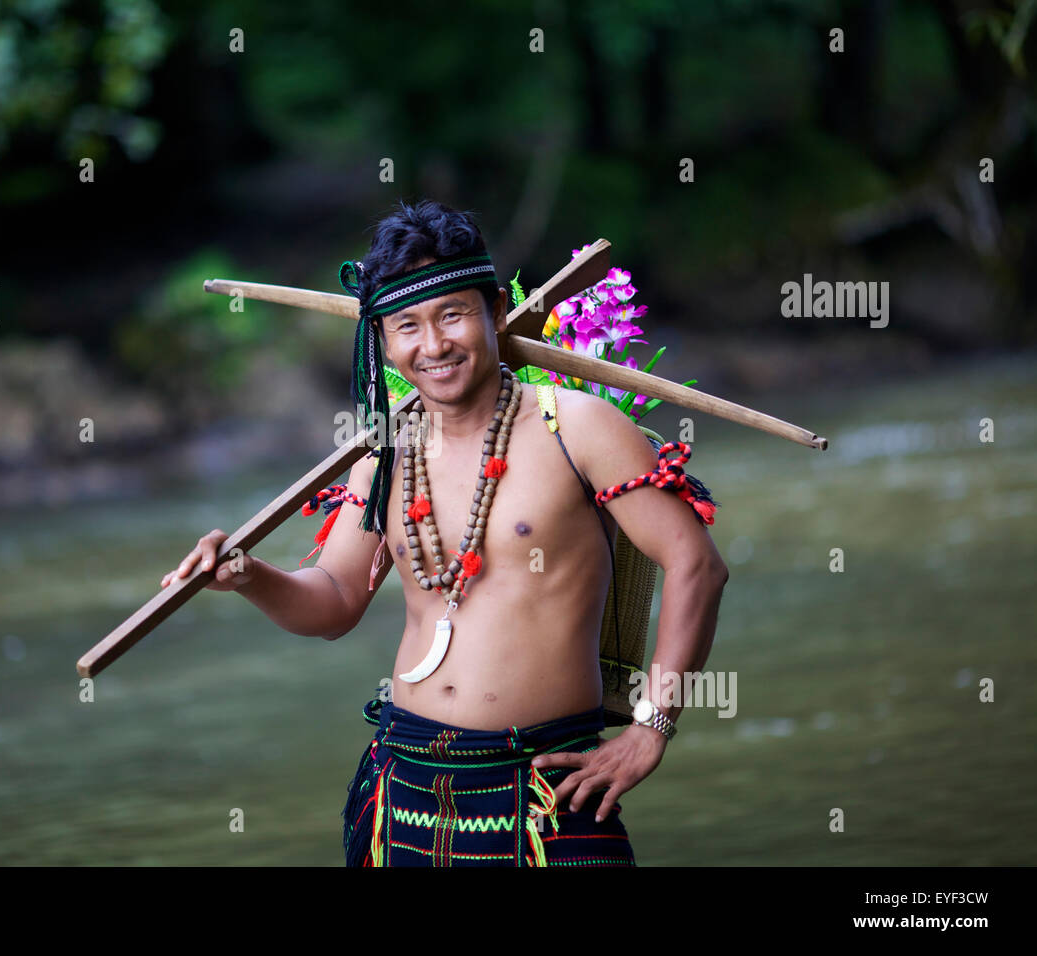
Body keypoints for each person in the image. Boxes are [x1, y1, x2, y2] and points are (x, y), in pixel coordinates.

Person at [164, 200, 729, 866]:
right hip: (403, 784)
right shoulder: (385, 455)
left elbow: (696, 565)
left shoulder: (575, 426)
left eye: (452, 315)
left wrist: (650, 729)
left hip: (546, 786)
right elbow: (335, 602)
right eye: (406, 325)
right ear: (381, 341)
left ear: (494, 311)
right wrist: (247, 575)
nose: (431, 346)